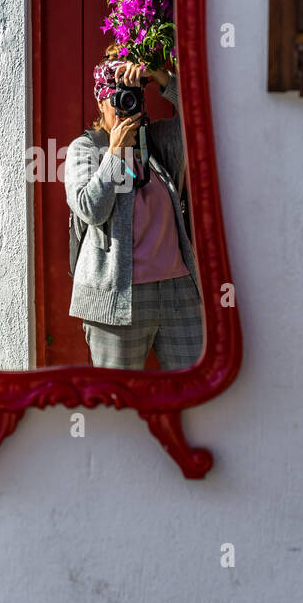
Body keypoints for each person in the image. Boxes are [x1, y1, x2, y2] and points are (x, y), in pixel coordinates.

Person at [64, 46, 204, 369]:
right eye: (117, 98)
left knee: (196, 388)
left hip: (177, 292)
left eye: (132, 97)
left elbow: (199, 118)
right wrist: (114, 154)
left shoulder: (156, 142)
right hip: (115, 300)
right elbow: (91, 209)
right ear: (101, 101)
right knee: (120, 403)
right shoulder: (85, 149)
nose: (125, 107)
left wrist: (162, 77)